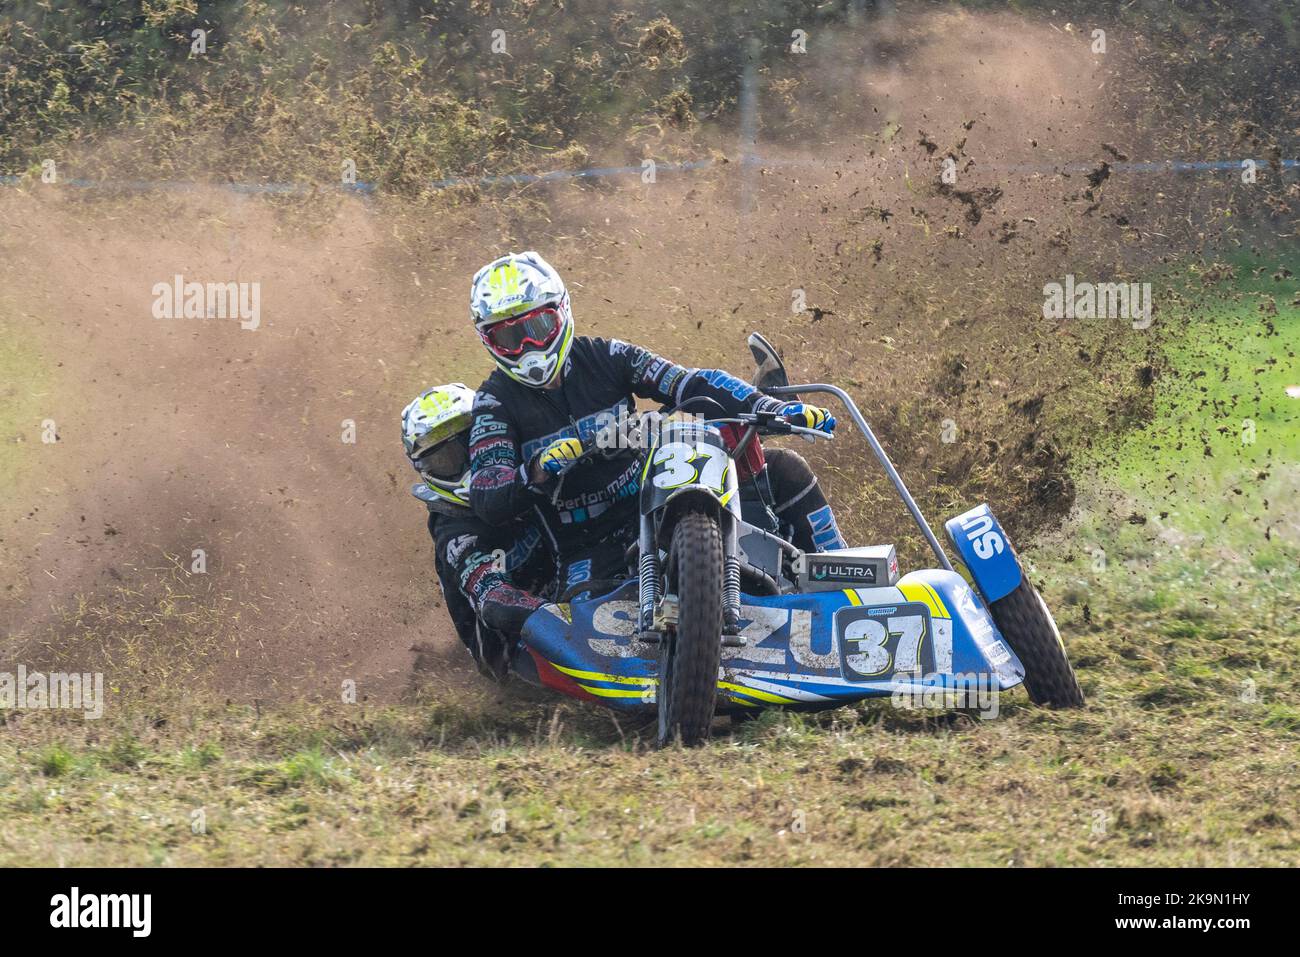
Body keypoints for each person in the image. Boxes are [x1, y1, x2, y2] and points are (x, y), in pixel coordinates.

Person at [465, 251, 846, 601]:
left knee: (785, 470)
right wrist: (534, 470)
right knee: (588, 612)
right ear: (489, 341)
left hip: (658, 503)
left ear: (561, 311)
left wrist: (771, 407)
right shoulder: (493, 403)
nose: (528, 346)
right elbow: (486, 492)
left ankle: (846, 582)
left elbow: (690, 382)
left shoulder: (606, 355)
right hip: (586, 547)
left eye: (539, 325)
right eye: (509, 336)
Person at [401, 383, 553, 680]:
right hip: (511, 648)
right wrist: (558, 617)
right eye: (446, 459)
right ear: (425, 469)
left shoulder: (522, 469)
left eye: (472, 444)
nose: (469, 465)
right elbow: (494, 598)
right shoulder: (453, 532)